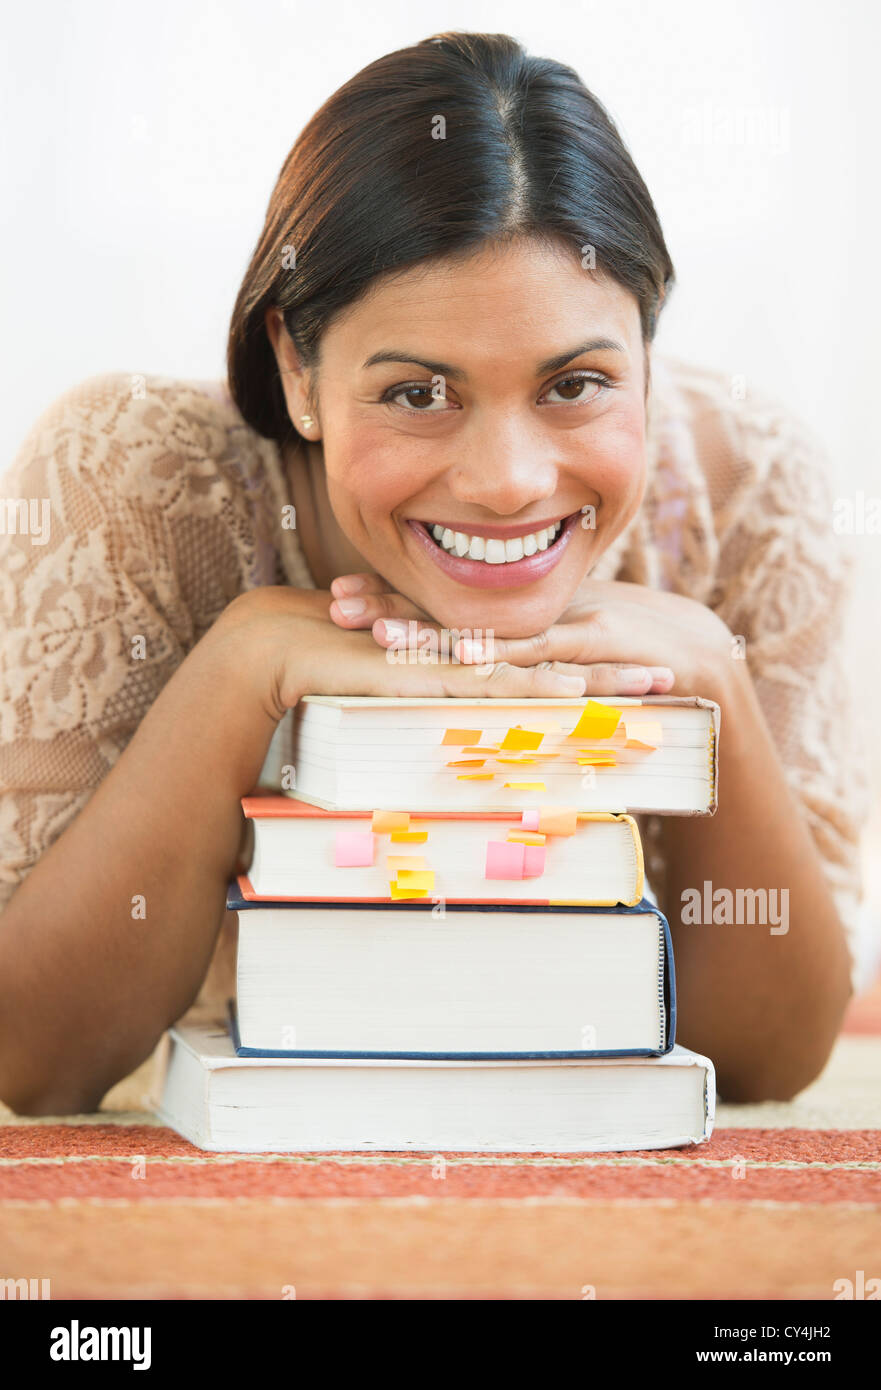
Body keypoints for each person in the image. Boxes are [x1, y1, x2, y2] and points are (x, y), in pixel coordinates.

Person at [0, 31, 867, 1115]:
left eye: (576, 384)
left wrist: (715, 693)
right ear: (295, 368)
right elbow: (37, 1060)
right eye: (417, 394)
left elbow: (767, 1061)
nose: (506, 482)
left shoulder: (751, 492)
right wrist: (241, 670)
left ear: (647, 351)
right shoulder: (127, 478)